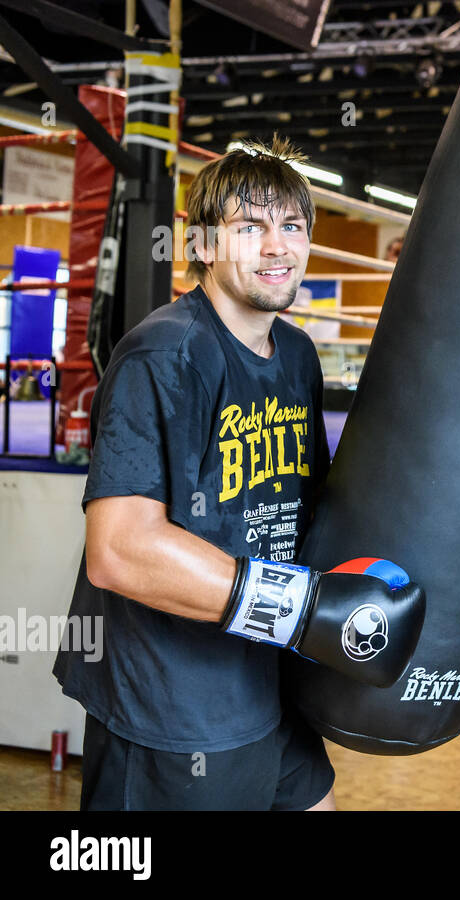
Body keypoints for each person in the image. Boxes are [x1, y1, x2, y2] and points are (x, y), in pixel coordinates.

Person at [52, 137, 422, 811]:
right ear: (204, 245)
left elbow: (307, 505)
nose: (276, 247)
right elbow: (119, 550)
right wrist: (304, 609)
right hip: (171, 704)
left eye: (291, 226)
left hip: (268, 681)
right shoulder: (164, 356)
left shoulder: (297, 357)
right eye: (250, 227)